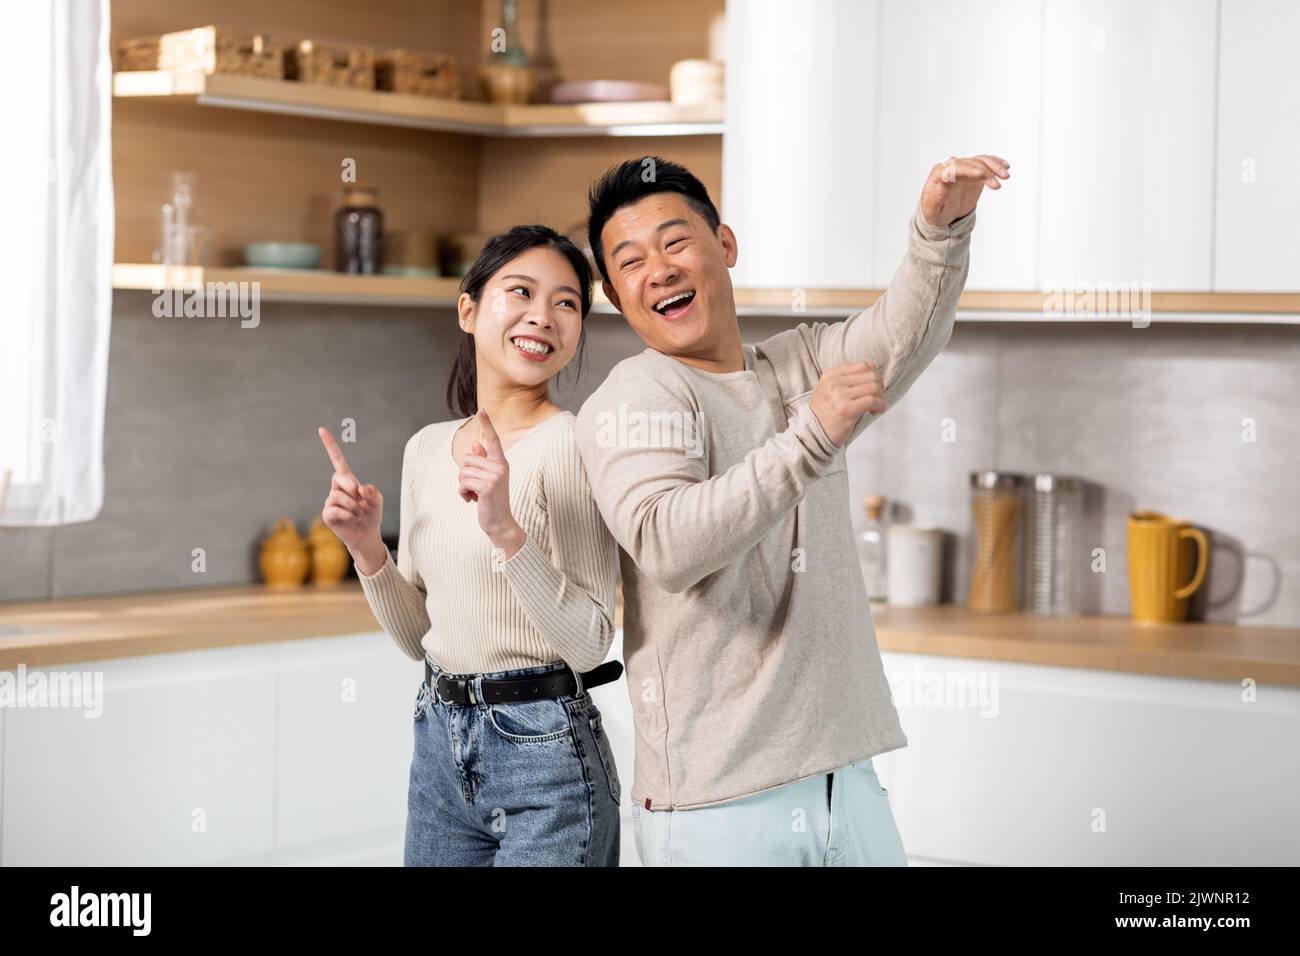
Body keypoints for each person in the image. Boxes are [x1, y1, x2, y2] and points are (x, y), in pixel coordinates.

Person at [575, 153, 1009, 866]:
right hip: (721, 804)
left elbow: (901, 336)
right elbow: (667, 543)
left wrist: (940, 227)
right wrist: (811, 435)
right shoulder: (639, 395)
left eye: (676, 241)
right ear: (618, 296)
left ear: (726, 246)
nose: (659, 268)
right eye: (630, 261)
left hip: (846, 777)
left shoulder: (794, 366)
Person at [318, 225, 622, 866]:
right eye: (521, 291)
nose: (543, 315)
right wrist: (368, 548)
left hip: (547, 750)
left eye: (567, 303)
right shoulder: (426, 448)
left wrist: (505, 530)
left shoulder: (572, 444)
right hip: (439, 737)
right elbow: (422, 637)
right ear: (469, 309)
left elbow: (593, 641)